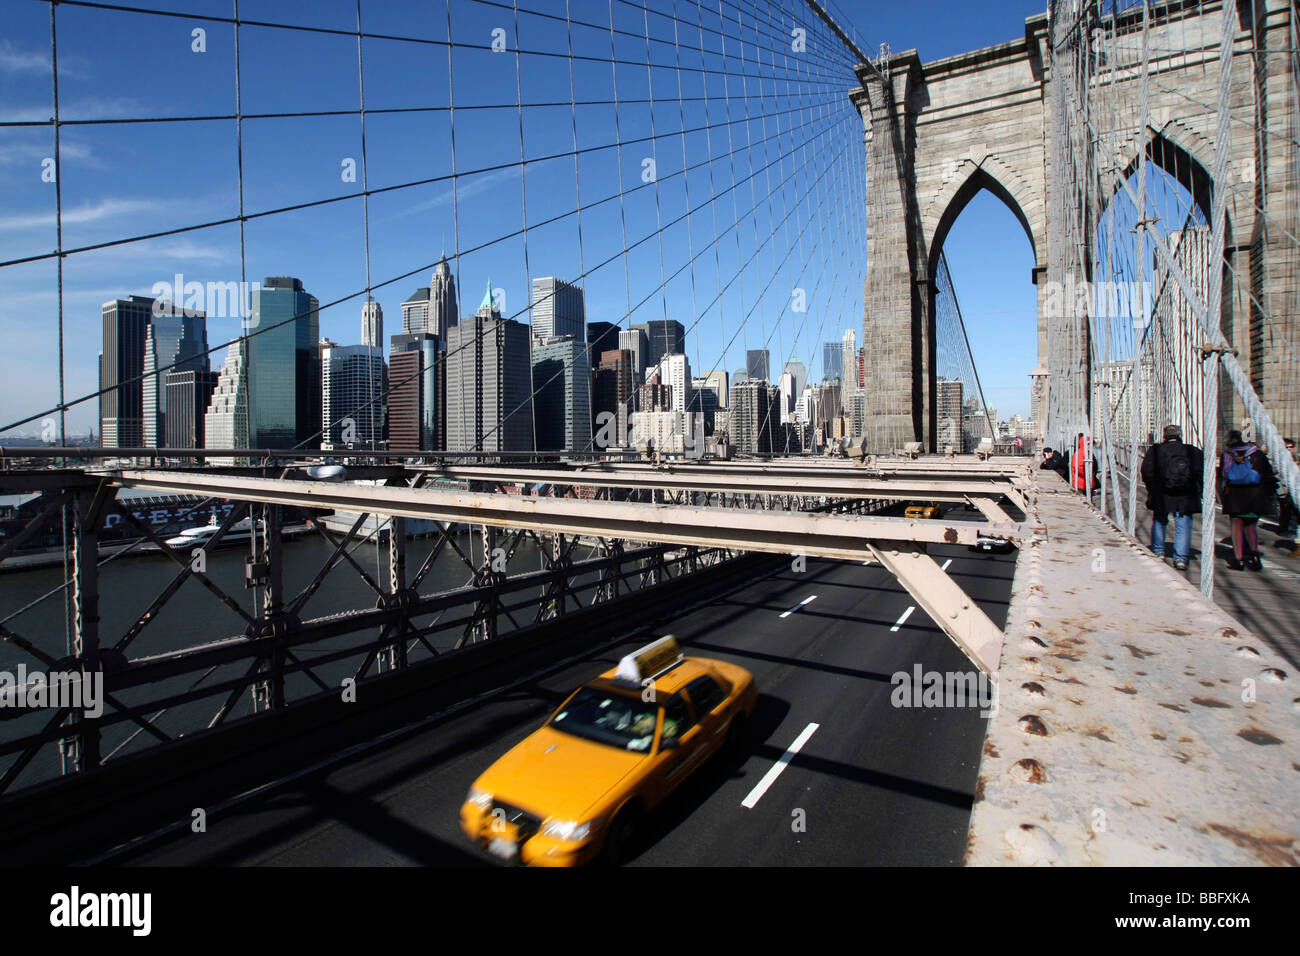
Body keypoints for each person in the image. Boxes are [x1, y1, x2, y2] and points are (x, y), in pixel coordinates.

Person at [1140, 424, 1203, 571]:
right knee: (1183, 525)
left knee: (1160, 521)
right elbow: (1200, 473)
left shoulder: (1156, 451)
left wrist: (1152, 489)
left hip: (1162, 494)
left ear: (1165, 436)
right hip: (1185, 496)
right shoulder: (1192, 451)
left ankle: (1158, 552)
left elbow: (1147, 472)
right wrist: (1197, 490)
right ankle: (1181, 559)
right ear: (1180, 435)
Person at [1218, 429, 1277, 571]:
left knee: (1236, 526)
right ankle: (1255, 556)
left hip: (1234, 495)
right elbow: (1268, 475)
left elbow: (1223, 475)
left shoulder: (1227, 455)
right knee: (1250, 526)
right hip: (1255, 495)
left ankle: (1239, 560)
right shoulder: (1257, 454)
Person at [1276, 437, 1296, 550]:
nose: (1290, 450)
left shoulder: (1295, 457)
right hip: (1283, 487)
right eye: (1288, 447)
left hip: (1292, 487)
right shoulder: (1279, 458)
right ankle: (1282, 529)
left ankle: (1286, 527)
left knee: (1289, 510)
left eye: (1292, 447)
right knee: (1284, 508)